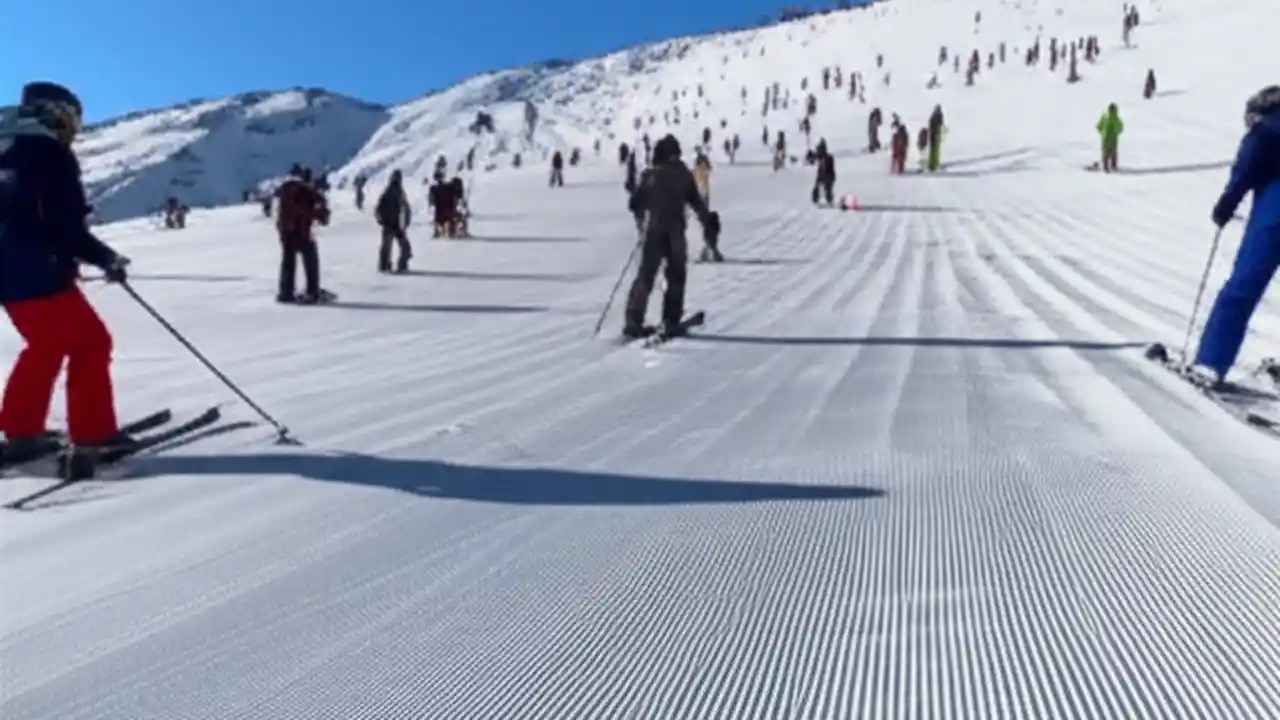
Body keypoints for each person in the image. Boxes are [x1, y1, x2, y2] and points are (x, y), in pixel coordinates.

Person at [0, 81, 134, 472]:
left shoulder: (8, 149)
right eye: (71, 119)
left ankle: (22, 431)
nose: (73, 129)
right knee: (91, 343)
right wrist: (106, 258)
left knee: (45, 345)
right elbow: (65, 226)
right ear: (53, 114)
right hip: (37, 269)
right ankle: (94, 437)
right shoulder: (49, 154)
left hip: (8, 274)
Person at [1193, 87, 1280, 384]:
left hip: (1274, 213)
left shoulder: (1265, 130)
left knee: (1243, 286)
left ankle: (1210, 362)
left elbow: (1246, 168)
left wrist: (1226, 204)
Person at [623, 135, 712, 339]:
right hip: (675, 232)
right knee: (676, 275)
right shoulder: (682, 174)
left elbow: (635, 203)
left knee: (646, 275)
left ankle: (633, 319)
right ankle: (671, 318)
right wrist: (705, 219)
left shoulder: (650, 175)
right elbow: (695, 201)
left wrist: (642, 212)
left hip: (653, 231)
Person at [274, 164, 330, 303]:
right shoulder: (302, 191)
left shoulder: (288, 189)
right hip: (299, 230)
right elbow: (305, 210)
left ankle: (286, 291)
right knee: (310, 258)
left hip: (287, 230)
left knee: (289, 261)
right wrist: (318, 211)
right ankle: (312, 290)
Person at [375, 170, 412, 273]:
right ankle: (401, 265)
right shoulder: (398, 192)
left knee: (387, 248)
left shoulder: (388, 192)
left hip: (389, 225)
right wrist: (406, 222)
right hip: (395, 225)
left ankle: (384, 266)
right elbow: (406, 208)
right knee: (404, 247)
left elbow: (378, 209)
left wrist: (380, 220)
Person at [1097, 103, 1124, 173]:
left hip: (1105, 137)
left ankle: (1105, 166)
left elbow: (1099, 126)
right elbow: (1120, 127)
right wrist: (1117, 132)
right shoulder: (1116, 118)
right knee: (1113, 152)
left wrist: (1102, 131)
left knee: (1106, 152)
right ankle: (1113, 166)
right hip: (1113, 137)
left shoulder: (1104, 117)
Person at [928, 105, 946, 171]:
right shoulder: (939, 116)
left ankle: (932, 163)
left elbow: (931, 124)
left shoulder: (933, 116)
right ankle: (934, 163)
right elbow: (940, 124)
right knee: (935, 150)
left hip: (933, 134)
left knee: (933, 150)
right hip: (936, 134)